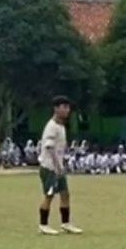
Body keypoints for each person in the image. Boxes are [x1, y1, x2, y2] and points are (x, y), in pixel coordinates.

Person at [37, 96, 83, 235]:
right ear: (56, 108)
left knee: (65, 194)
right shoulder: (51, 126)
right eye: (64, 107)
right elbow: (49, 148)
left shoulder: (61, 126)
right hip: (50, 167)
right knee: (49, 195)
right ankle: (43, 224)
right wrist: (57, 166)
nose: (67, 110)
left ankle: (66, 223)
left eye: (68, 107)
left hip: (58, 167)